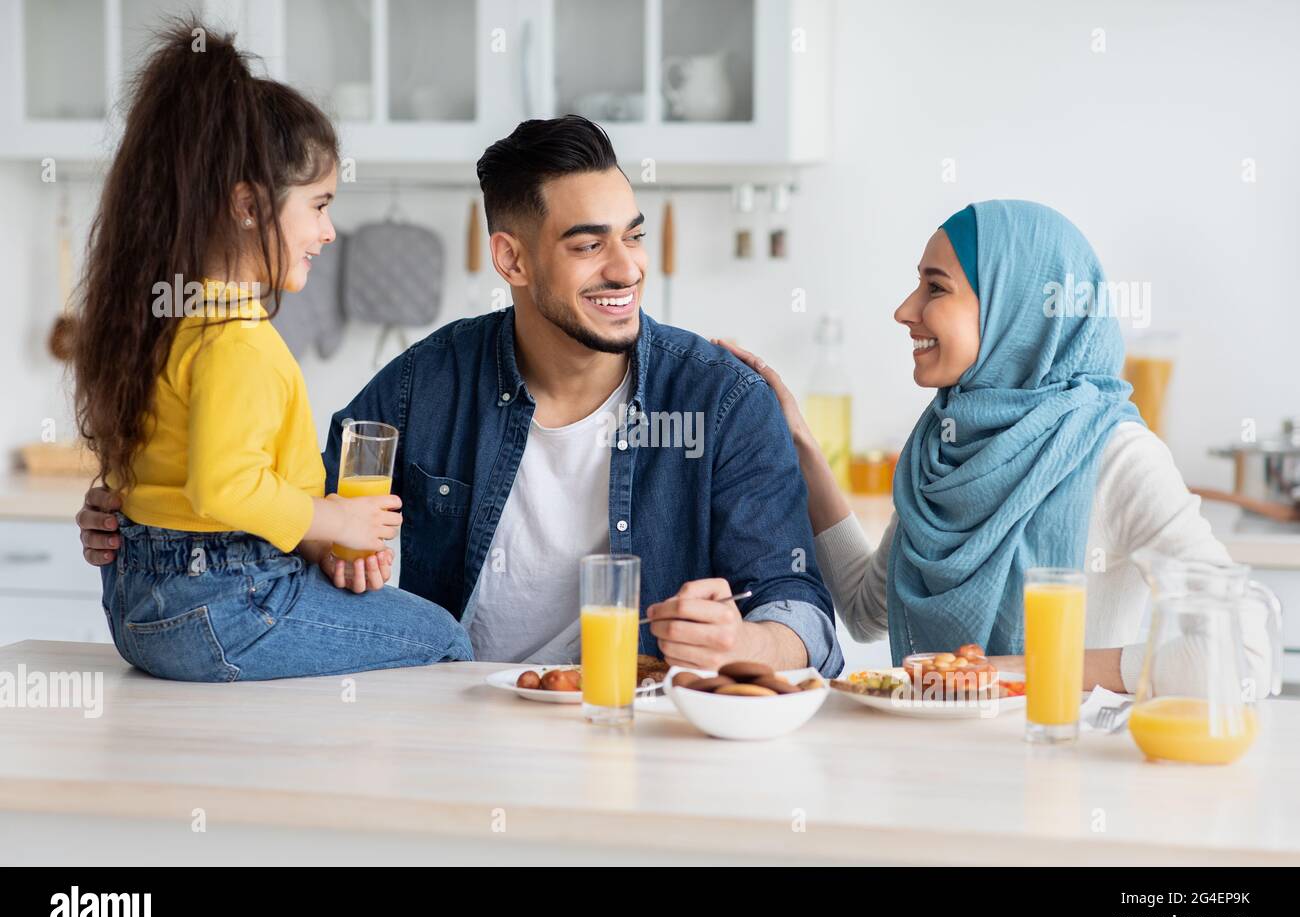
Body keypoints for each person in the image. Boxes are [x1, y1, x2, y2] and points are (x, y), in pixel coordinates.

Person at [79, 115, 844, 677]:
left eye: (633, 236)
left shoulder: (722, 402)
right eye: (588, 244)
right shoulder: (428, 383)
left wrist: (743, 641)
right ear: (510, 258)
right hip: (457, 732)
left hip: (638, 737)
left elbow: (802, 608)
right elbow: (279, 500)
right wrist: (150, 508)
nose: (626, 268)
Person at [720, 200, 1269, 693]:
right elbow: (867, 612)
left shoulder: (1116, 456)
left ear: (1020, 308)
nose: (905, 310)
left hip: (1062, 780)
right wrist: (798, 442)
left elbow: (1240, 650)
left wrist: (1020, 670)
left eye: (936, 288)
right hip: (936, 774)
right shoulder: (939, 449)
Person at [71, 22, 471, 681]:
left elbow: (171, 473)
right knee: (444, 639)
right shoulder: (238, 339)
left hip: (140, 609)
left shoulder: (162, 318)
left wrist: (318, 538)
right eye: (318, 205)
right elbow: (224, 486)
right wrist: (332, 515)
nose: (328, 230)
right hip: (225, 603)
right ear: (249, 206)